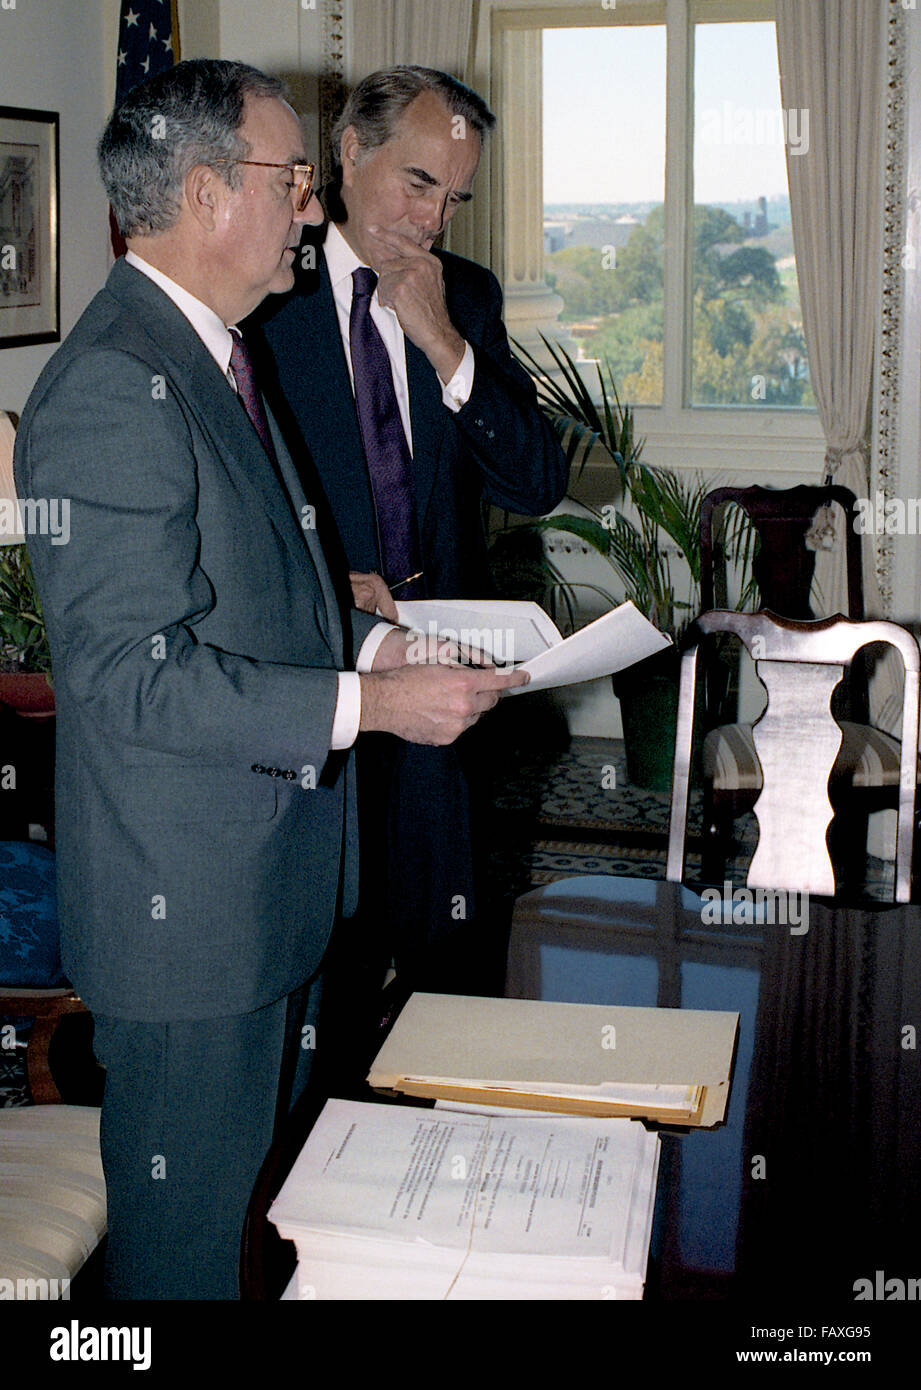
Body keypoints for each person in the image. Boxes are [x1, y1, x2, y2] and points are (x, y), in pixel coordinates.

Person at [13, 58, 525, 1300]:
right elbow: (132, 678)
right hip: (188, 931)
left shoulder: (213, 354)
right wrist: (373, 705)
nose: (312, 206)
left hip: (272, 904)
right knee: (180, 1270)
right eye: (292, 179)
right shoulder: (103, 392)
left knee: (253, 1230)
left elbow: (279, 594)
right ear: (203, 194)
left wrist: (380, 648)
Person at [249, 66, 567, 1010]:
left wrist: (444, 347)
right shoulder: (265, 296)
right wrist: (317, 582)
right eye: (417, 183)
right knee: (328, 961)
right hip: (322, 676)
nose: (433, 220)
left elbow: (536, 481)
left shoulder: (461, 294)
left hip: (445, 681)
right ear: (349, 152)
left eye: (455, 197)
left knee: (449, 955)